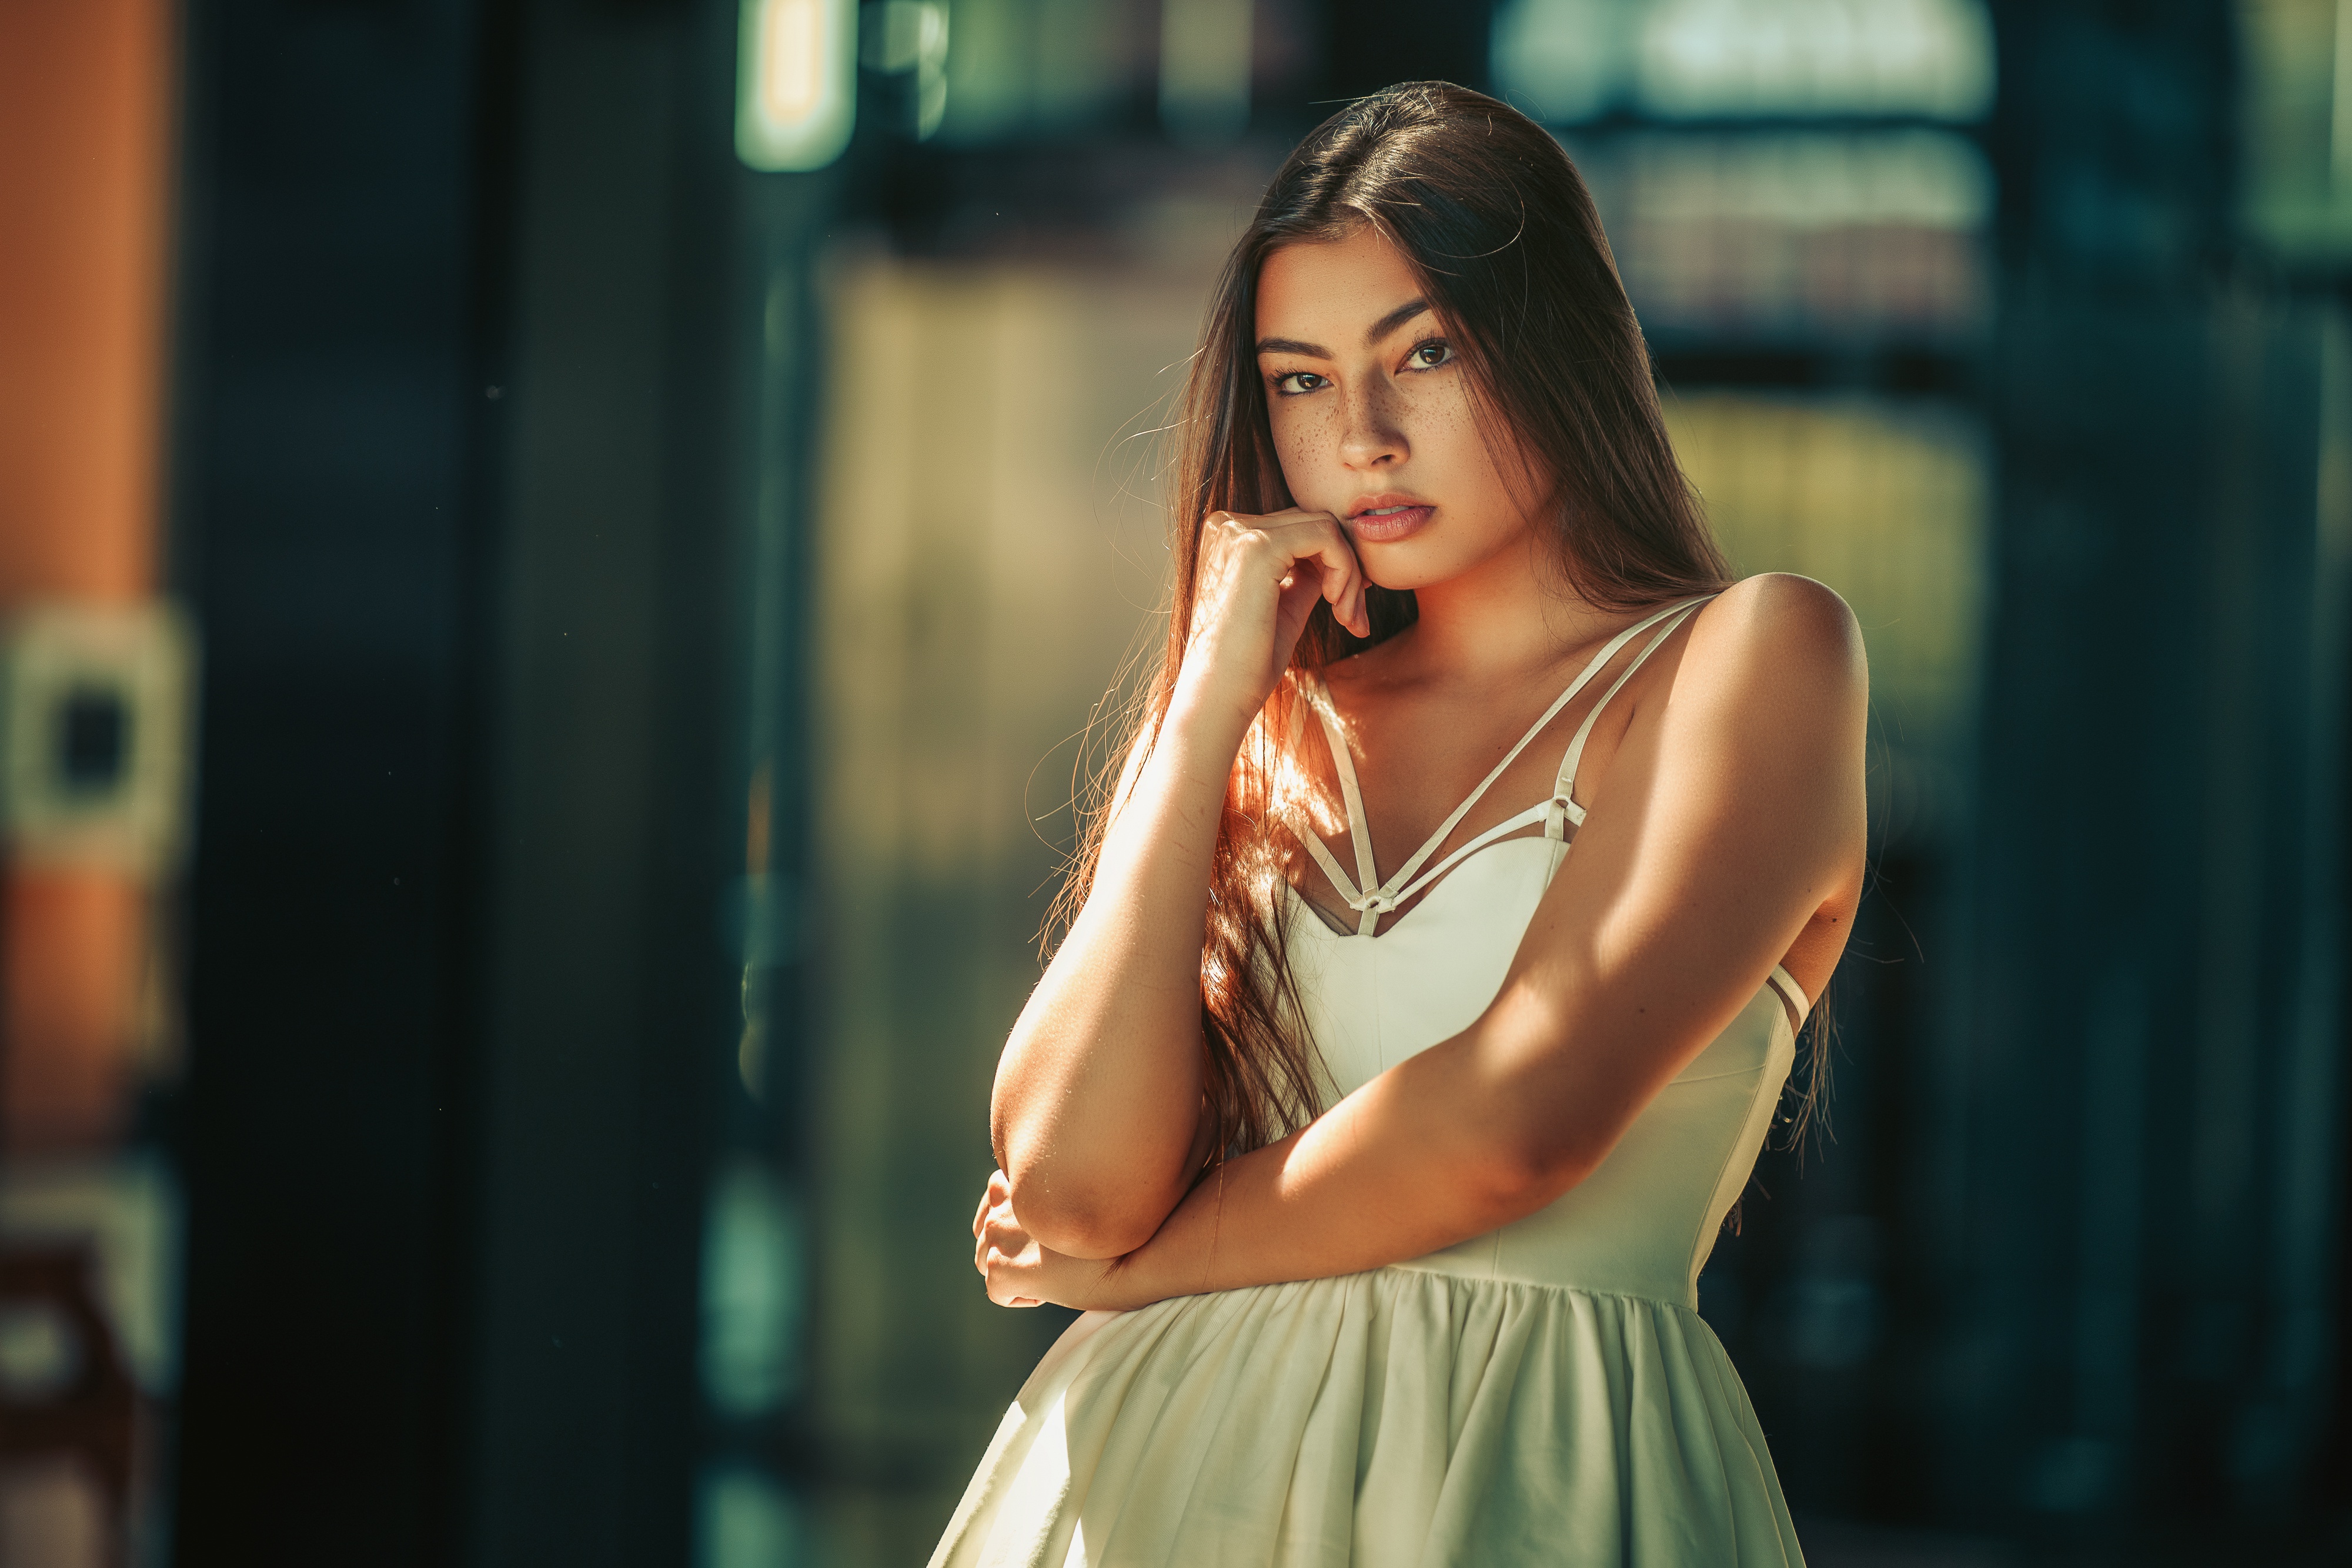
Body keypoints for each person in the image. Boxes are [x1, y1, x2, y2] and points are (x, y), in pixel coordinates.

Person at [938, 81, 1865, 1567]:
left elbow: (1511, 1123)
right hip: (1143, 1487)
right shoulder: (1274, 736)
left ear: (1554, 341)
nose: (1359, 437)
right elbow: (1060, 1183)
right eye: (1297, 380)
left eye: (1421, 351)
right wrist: (1199, 709)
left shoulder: (1753, 660)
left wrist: (1146, 1261)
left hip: (1537, 1481)